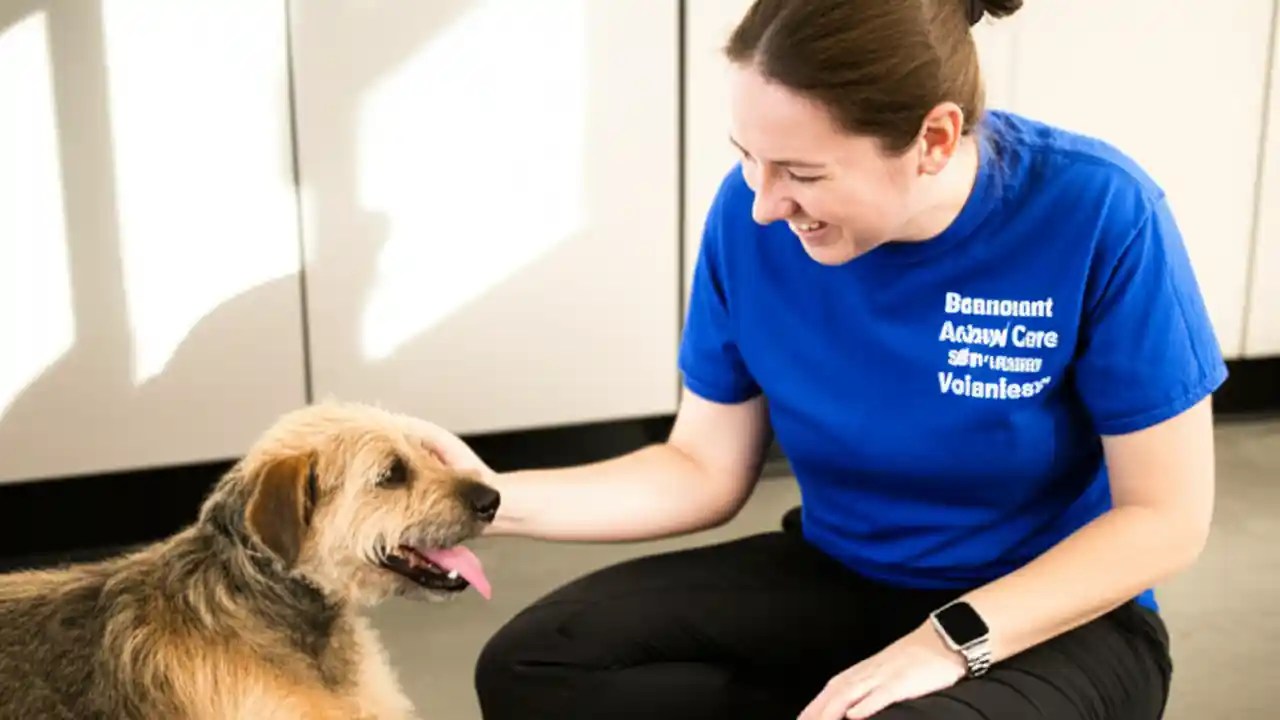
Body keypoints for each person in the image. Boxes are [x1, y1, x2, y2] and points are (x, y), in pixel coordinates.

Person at [419, 0, 1225, 717]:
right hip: (842, 576)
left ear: (934, 140)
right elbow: (701, 466)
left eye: (803, 173)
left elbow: (1164, 520)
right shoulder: (751, 215)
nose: (766, 203)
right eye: (749, 158)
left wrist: (944, 646)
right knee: (536, 664)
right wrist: (479, 500)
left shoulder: (1099, 211)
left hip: (1049, 618)